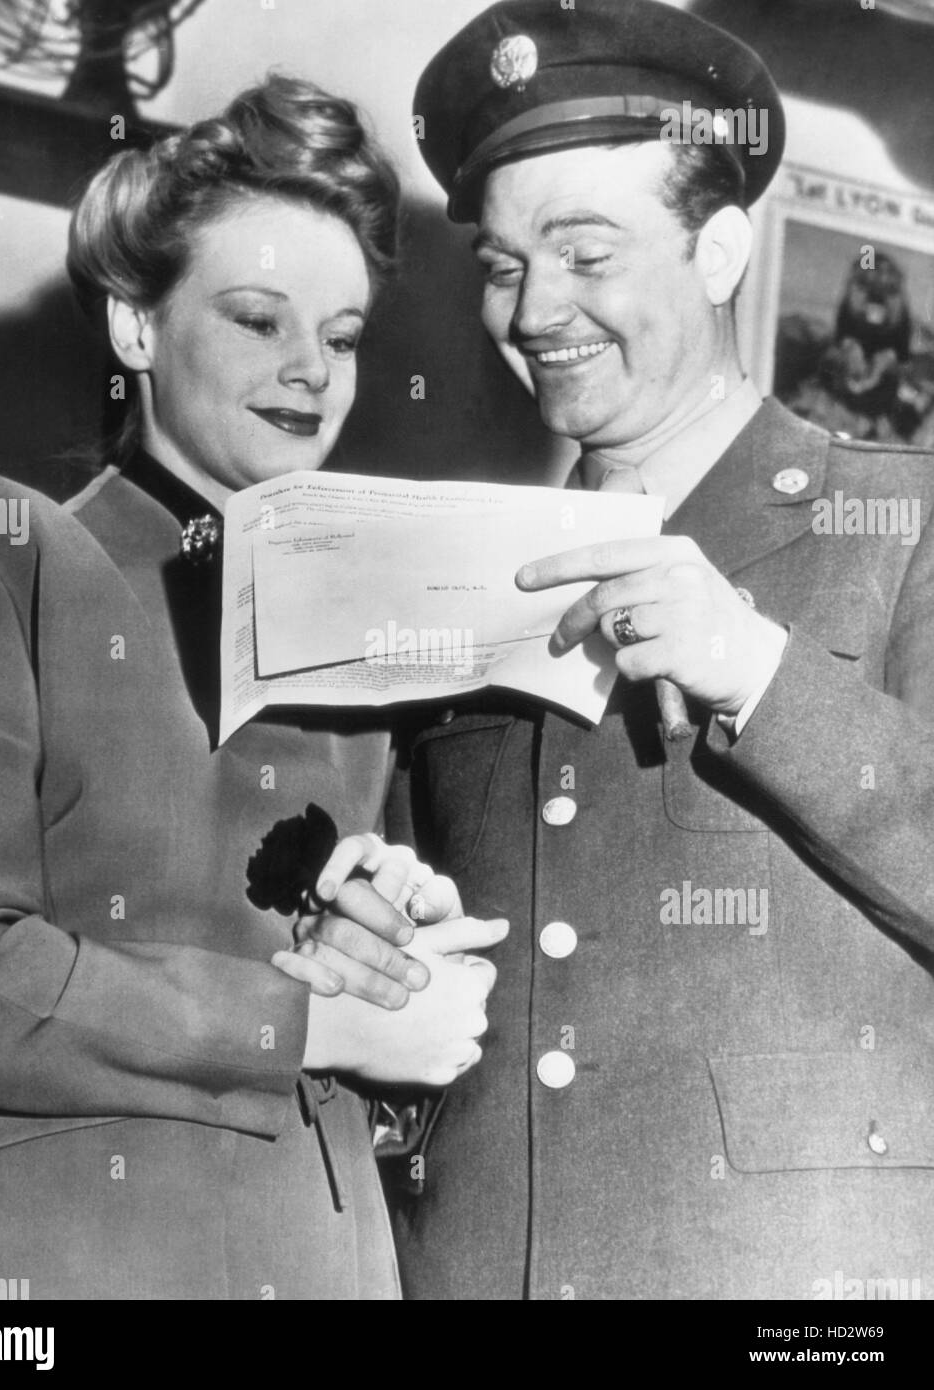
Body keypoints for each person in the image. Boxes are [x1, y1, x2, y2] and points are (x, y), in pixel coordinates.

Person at [322, 0, 934, 1300]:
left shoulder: (897, 525)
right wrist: (372, 977)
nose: (532, 308)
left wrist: (755, 670)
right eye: (497, 263)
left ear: (717, 250)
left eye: (583, 252)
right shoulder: (456, 562)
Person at [0, 74, 503, 1302]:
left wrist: (389, 956)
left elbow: (362, 1024)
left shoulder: (365, 643)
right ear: (135, 325)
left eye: (339, 337)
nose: (310, 373)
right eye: (255, 319)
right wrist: (306, 1026)